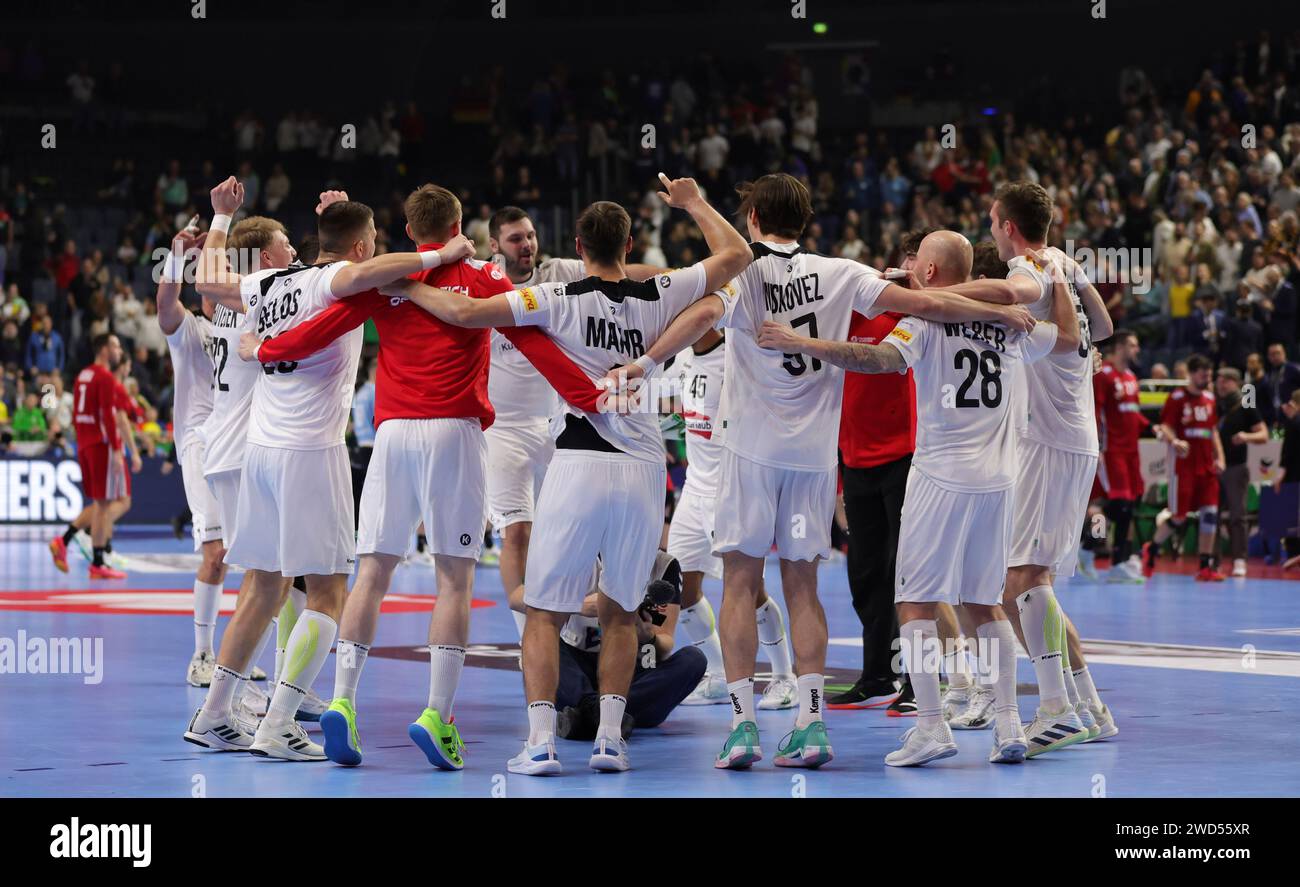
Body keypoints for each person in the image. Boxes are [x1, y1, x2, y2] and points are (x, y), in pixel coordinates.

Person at [610, 173, 1036, 771]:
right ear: (805, 221)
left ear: (753, 218)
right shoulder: (843, 272)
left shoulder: (744, 274)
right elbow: (927, 302)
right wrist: (1004, 309)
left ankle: (743, 727)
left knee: (738, 582)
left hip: (751, 452)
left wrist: (647, 361)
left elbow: (700, 311)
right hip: (818, 458)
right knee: (804, 585)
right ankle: (811, 725)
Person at [389, 174, 752, 774]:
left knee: (544, 613)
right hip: (642, 471)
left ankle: (540, 744)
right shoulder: (661, 291)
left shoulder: (555, 299)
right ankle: (610, 740)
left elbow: (465, 311)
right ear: (629, 246)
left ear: (577, 249)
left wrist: (409, 282)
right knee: (619, 613)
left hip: (577, 466)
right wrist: (693, 204)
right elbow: (735, 257)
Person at [244, 183, 600, 769]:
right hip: (455, 433)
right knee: (454, 580)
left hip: (392, 436)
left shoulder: (386, 282)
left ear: (409, 233)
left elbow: (320, 327)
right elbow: (533, 341)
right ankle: (437, 713)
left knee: (372, 573)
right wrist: (587, 394)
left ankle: (342, 701)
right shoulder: (485, 276)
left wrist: (266, 350)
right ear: (461, 226)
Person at [756, 242, 1078, 766]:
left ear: (927, 269)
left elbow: (878, 360)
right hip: (999, 481)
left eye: (913, 263)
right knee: (983, 603)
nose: (904, 270)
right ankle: (1008, 723)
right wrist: (1063, 280)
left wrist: (804, 342)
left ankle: (930, 725)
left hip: (940, 476)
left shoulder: (923, 320)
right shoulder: (1008, 323)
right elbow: (1069, 340)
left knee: (914, 602)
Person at [185, 175, 472, 760]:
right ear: (363, 245)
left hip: (260, 449)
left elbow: (207, 281)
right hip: (311, 452)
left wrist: (219, 220)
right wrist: (446, 250)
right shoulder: (332, 280)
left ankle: (214, 714)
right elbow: (370, 272)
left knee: (263, 585)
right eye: (372, 239)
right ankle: (279, 723)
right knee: (329, 592)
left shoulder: (267, 280)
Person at [484, 207, 662, 638]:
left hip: (552, 425)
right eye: (514, 239)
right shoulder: (483, 284)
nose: (526, 245)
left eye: (529, 236)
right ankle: (525, 625)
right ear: (494, 247)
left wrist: (667, 278)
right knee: (517, 532)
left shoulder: (560, 271)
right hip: (503, 430)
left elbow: (625, 268)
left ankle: (572, 628)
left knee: (567, 532)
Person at [669, 326, 798, 710]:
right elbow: (670, 406)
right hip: (693, 488)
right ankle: (719, 674)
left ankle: (783, 677)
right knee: (681, 587)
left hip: (732, 487)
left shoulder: (736, 358)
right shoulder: (682, 357)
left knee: (748, 590)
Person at [152, 220, 229, 687]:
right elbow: (165, 304)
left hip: (241, 444)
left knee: (257, 558)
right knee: (215, 552)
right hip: (201, 443)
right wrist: (178, 253)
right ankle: (202, 655)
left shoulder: (248, 328)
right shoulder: (190, 331)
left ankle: (237, 655)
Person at [546, 552, 706, 739]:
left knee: (694, 660)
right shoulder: (578, 553)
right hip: (580, 666)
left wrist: (647, 636)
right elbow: (538, 611)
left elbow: (664, 643)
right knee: (543, 645)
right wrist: (579, 606)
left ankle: (589, 716)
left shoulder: (664, 566)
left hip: (633, 668)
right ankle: (610, 715)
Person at [1145, 354, 1229, 581]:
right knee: (1179, 517)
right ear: (1192, 374)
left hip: (1207, 468)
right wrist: (1175, 442)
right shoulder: (1177, 398)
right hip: (1183, 469)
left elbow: (1213, 432)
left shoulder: (1210, 399)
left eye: (1209, 375)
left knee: (1210, 515)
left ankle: (1205, 566)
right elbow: (1166, 426)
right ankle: (1152, 548)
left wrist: (1220, 457)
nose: (1207, 378)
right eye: (1203, 374)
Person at [60, 333, 128, 579]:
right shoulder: (105, 376)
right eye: (115, 346)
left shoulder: (82, 375)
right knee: (103, 505)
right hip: (100, 444)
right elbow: (108, 416)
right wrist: (118, 450)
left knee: (101, 503)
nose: (118, 351)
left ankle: (96, 558)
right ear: (103, 350)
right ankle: (98, 561)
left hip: (84, 443)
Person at [1095, 330, 1148, 584]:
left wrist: (1153, 428)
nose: (1137, 349)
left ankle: (1089, 549)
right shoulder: (1104, 374)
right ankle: (1116, 561)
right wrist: (1096, 443)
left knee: (1125, 505)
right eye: (1133, 345)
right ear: (1119, 347)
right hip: (1112, 449)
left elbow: (1133, 414)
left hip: (1131, 451)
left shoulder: (1131, 377)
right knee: (1118, 506)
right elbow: (1096, 409)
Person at [1216, 367, 1267, 577]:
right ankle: (1211, 560)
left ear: (1236, 383)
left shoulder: (1246, 403)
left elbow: (1263, 434)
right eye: (1218, 380)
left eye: (1225, 381)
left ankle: (1239, 560)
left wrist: (1246, 437)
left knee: (1238, 516)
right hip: (1214, 467)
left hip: (1236, 468)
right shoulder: (1214, 404)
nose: (1220, 384)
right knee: (1212, 515)